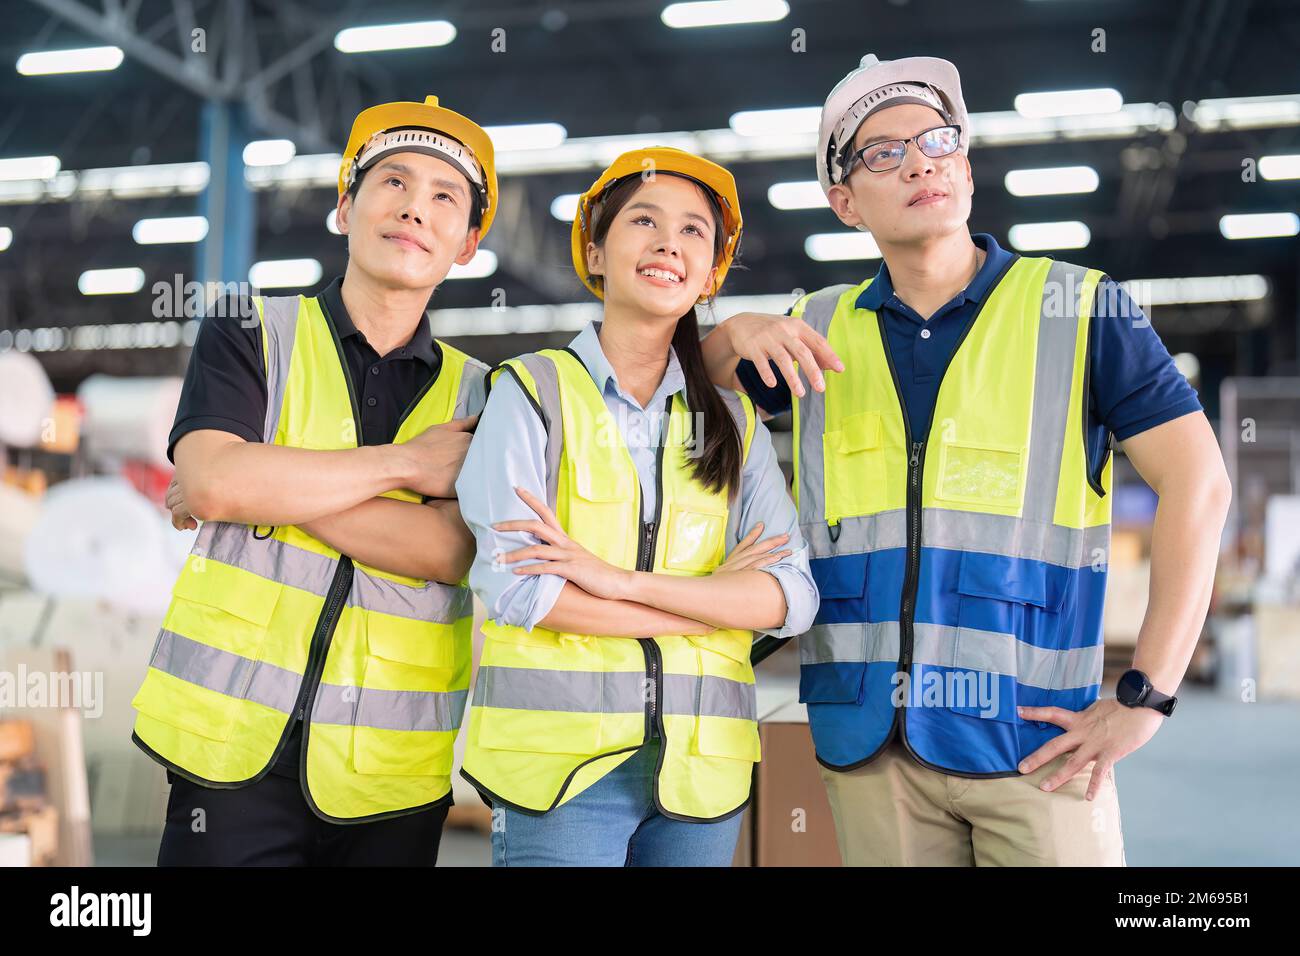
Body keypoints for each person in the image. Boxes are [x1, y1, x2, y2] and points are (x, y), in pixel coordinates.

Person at [701, 55, 1232, 866]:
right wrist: (728, 336)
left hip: (1038, 746)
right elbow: (667, 406)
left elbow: (1199, 482)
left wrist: (1148, 695)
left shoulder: (1080, 308)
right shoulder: (811, 330)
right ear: (843, 201)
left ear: (968, 169)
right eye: (883, 152)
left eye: (938, 139)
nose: (920, 161)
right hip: (869, 745)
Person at [134, 95, 497, 866]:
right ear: (345, 207)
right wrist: (405, 465)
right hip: (227, 753)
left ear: (467, 245)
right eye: (392, 183)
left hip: (388, 780)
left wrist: (261, 483)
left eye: (444, 198)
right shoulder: (247, 332)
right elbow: (214, 486)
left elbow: (447, 551)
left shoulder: (484, 396)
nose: (414, 210)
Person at [456, 147, 819, 867]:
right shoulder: (533, 394)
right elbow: (523, 590)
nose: (667, 244)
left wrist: (615, 580)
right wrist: (709, 605)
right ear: (595, 249)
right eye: (643, 221)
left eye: (693, 232)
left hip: (700, 776)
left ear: (712, 272)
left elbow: (792, 595)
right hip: (562, 774)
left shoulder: (735, 424)